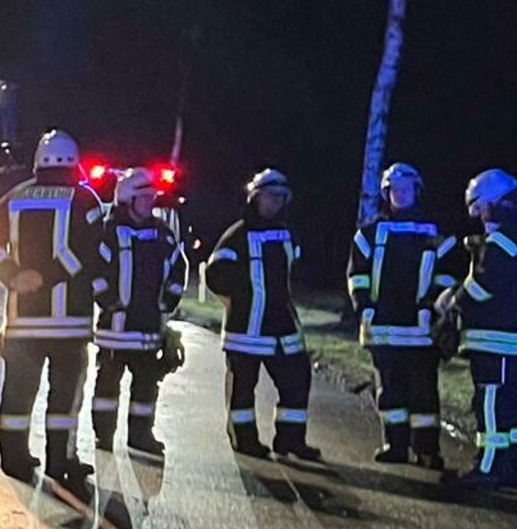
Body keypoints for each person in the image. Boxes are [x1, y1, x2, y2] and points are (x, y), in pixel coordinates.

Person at [0, 128, 107, 489]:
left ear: (39, 160)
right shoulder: (86, 200)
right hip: (70, 324)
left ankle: (14, 459)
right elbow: (88, 252)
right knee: (64, 397)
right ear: (74, 162)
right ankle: (60, 461)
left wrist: (14, 274)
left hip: (23, 323)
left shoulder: (14, 197)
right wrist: (48, 275)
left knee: (18, 393)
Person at [346, 161, 459, 467]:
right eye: (394, 190)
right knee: (390, 392)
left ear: (417, 191)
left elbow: (450, 273)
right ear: (386, 193)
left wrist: (435, 305)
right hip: (382, 328)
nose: (400, 194)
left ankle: (426, 450)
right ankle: (395, 446)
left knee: (424, 394)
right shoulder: (369, 233)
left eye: (405, 189)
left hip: (423, 329)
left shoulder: (435, 233)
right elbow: (358, 275)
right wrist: (365, 306)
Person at [204, 168, 321, 461]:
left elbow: (298, 270)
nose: (275, 202)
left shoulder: (287, 233)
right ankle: (244, 440)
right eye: (270, 197)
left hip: (283, 327)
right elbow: (215, 275)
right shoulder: (237, 235)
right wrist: (242, 299)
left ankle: (291, 440)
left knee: (297, 381)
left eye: (280, 197)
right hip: (246, 330)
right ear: (255, 198)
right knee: (242, 390)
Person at [91, 168, 187, 457]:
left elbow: (177, 268)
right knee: (107, 385)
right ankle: (104, 436)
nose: (150, 201)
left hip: (148, 327)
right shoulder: (109, 233)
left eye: (152, 196)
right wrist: (109, 301)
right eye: (144, 196)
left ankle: (141, 435)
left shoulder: (161, 233)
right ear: (127, 199)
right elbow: (95, 271)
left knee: (146, 386)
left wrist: (167, 302)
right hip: (115, 328)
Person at [440, 168, 517, 490]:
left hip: (495, 341)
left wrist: (453, 302)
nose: (476, 215)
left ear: (491, 203)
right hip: (507, 342)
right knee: (509, 408)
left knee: (490, 404)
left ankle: (488, 467)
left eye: (477, 207)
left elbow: (483, 285)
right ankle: (509, 465)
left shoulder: (500, 240)